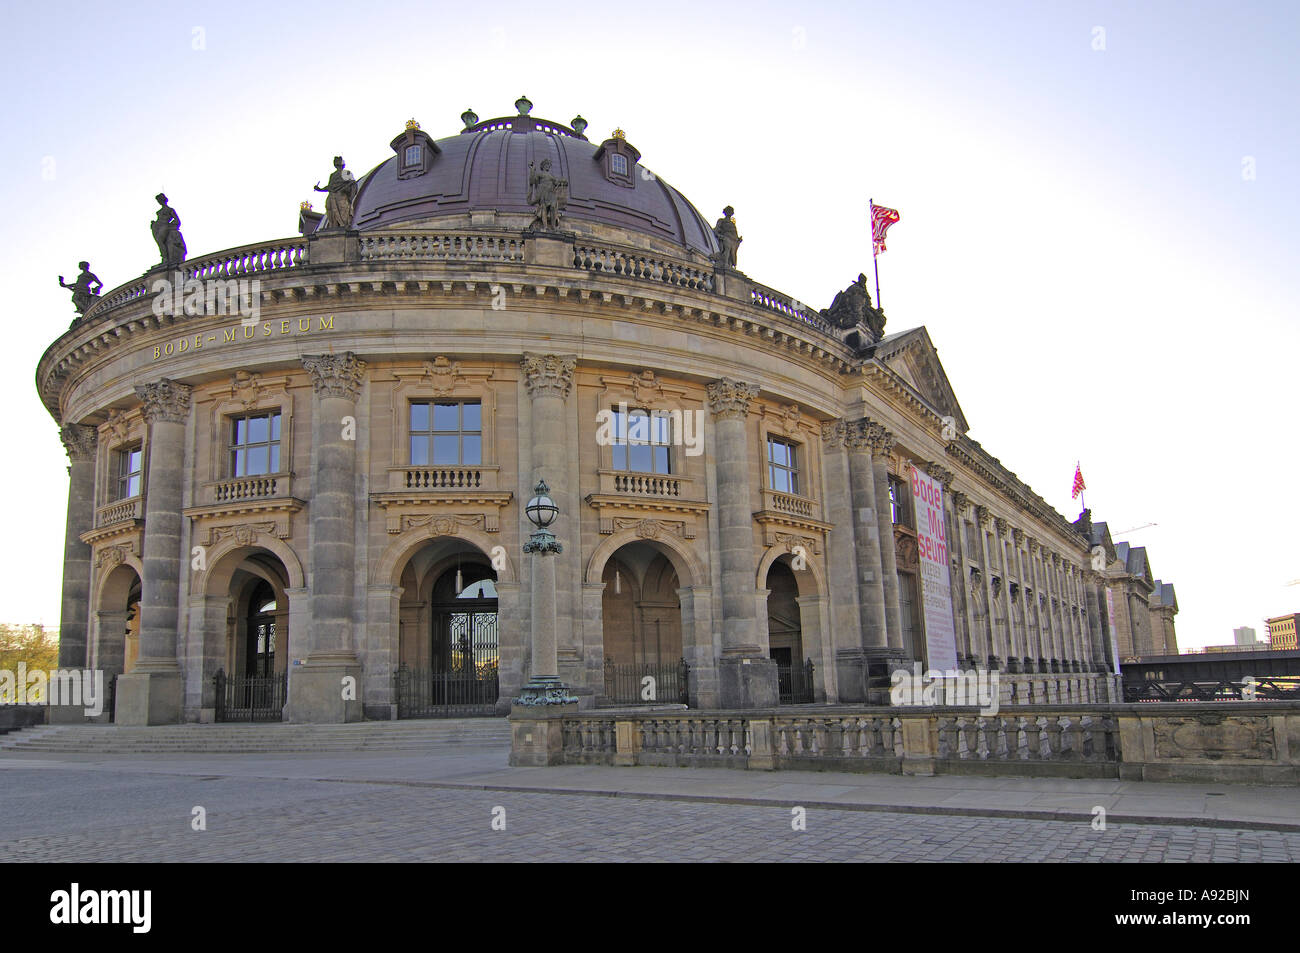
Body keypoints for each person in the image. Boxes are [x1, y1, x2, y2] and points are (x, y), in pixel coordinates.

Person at [314, 156, 357, 229]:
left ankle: (343, 226)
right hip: (332, 195)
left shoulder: (346, 173)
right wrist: (320, 189)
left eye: (338, 161)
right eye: (336, 162)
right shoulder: (332, 175)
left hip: (341, 195)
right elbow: (330, 187)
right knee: (330, 209)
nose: (337, 163)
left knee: (342, 211)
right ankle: (333, 226)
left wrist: (350, 196)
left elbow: (353, 184)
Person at [151, 194, 187, 266]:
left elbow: (177, 221)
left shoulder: (170, 210)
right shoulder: (159, 211)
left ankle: (165, 258)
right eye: (158, 200)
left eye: (160, 199)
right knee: (159, 242)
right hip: (156, 227)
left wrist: (170, 226)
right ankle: (164, 258)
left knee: (160, 241)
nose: (159, 201)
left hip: (165, 226)